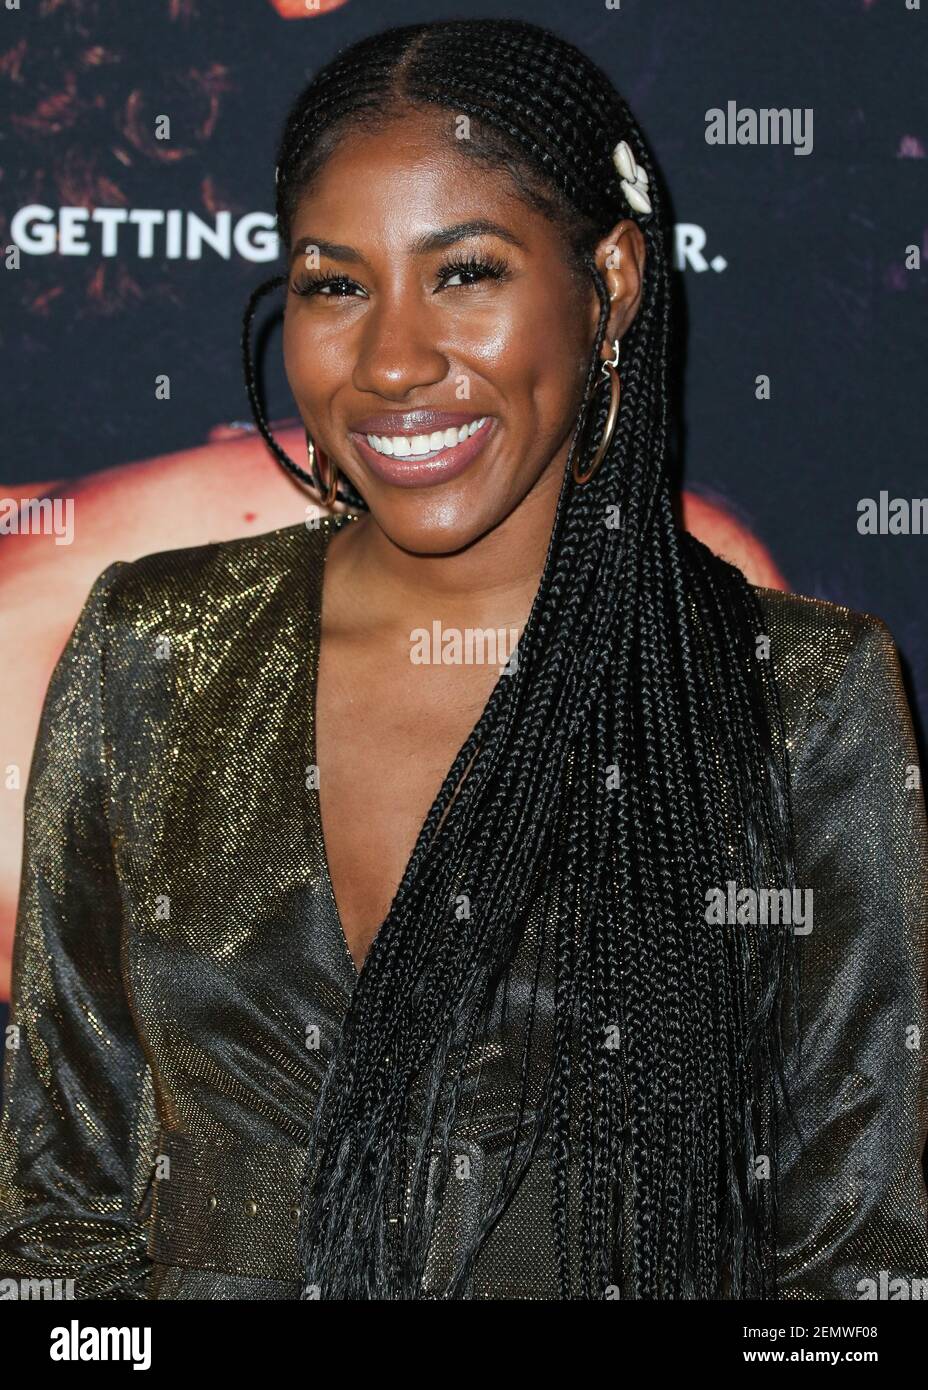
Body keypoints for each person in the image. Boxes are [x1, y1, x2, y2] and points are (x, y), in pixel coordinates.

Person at [0, 17, 925, 1301]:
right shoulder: (150, 651)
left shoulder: (798, 698)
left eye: (465, 273)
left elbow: (852, 1275)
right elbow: (57, 1228)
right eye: (336, 283)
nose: (391, 361)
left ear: (608, 281)